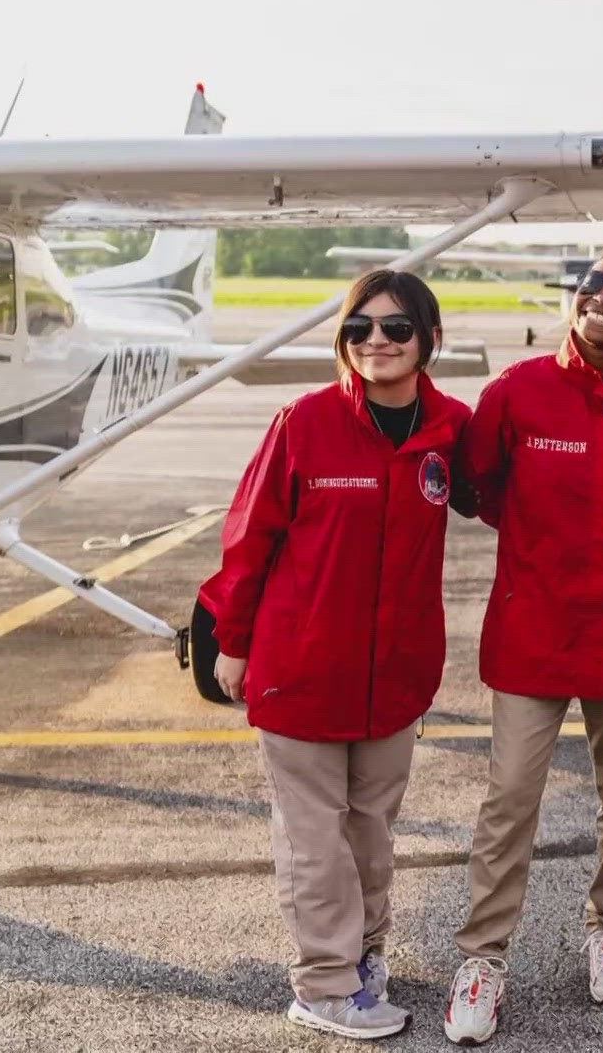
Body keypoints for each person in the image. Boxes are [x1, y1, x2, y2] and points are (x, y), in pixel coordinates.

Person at [201, 269, 471, 1041]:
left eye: (395, 329)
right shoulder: (305, 422)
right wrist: (233, 642)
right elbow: (247, 538)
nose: (376, 342)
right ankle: (322, 985)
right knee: (316, 840)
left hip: (395, 676)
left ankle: (363, 957)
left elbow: (512, 493)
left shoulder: (449, 428)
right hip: (302, 668)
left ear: (430, 341)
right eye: (359, 329)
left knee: (371, 832)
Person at [441, 250, 603, 1045]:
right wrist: (545, 546)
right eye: (591, 285)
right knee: (510, 801)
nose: (601, 298)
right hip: (535, 631)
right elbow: (476, 487)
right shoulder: (517, 391)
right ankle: (483, 958)